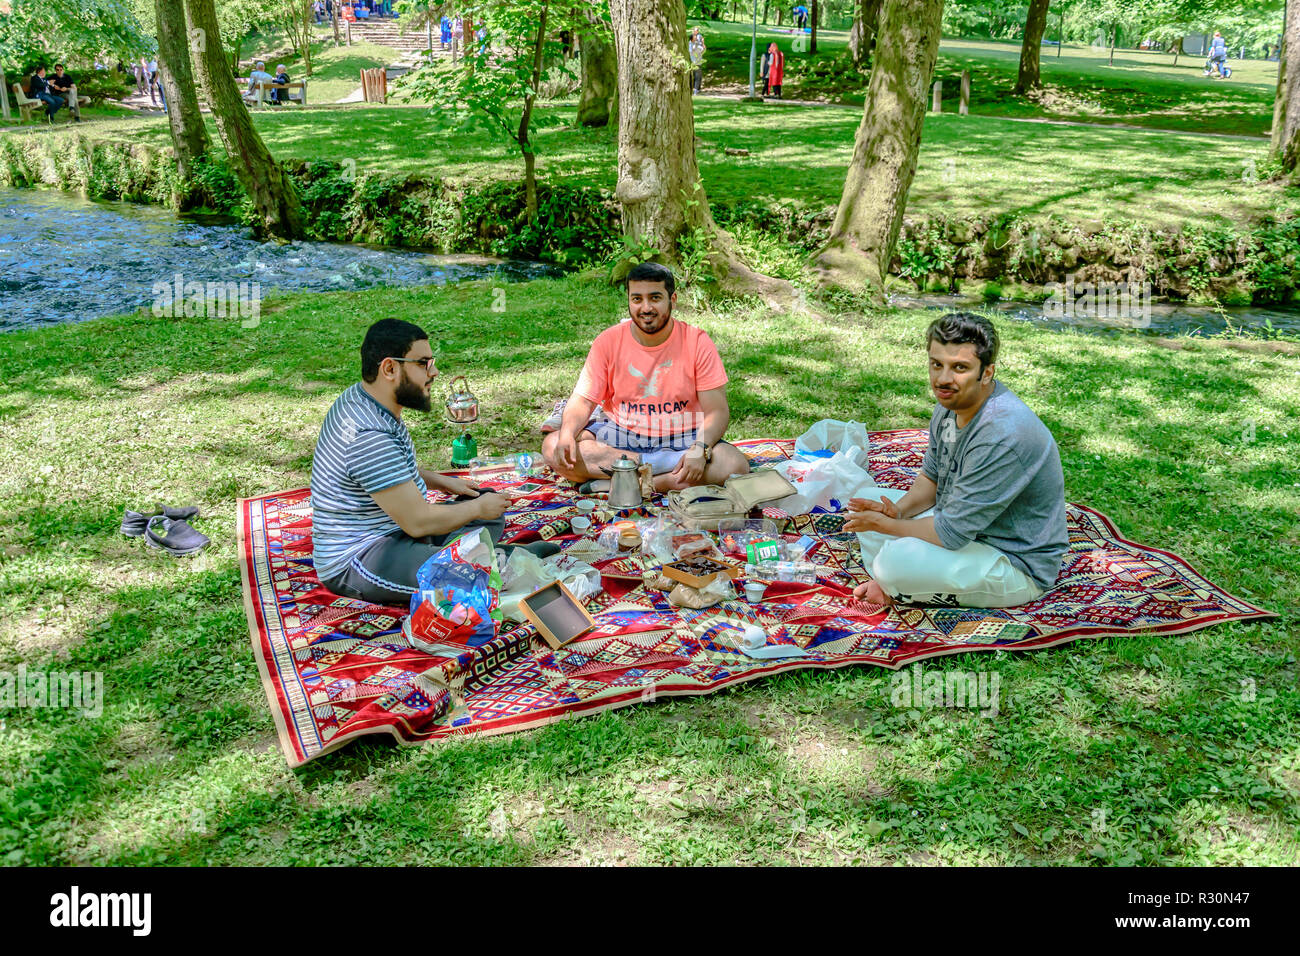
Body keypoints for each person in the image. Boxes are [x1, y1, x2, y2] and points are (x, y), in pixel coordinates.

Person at [311, 320, 556, 606]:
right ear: (389, 369)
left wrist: (442, 481)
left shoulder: (364, 399)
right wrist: (476, 508)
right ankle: (503, 562)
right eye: (424, 363)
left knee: (486, 505)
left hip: (396, 529)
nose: (434, 372)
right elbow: (418, 522)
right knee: (463, 569)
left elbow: (388, 470)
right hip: (362, 556)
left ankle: (483, 556)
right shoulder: (368, 436)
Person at [846, 313, 1067, 609]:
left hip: (1012, 560)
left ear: (987, 373)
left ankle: (893, 582)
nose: (943, 379)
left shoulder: (1002, 434)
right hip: (967, 530)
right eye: (937, 364)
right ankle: (896, 583)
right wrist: (897, 511)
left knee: (892, 560)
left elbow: (950, 532)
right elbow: (932, 479)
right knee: (868, 499)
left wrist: (887, 526)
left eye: (959, 367)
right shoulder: (950, 406)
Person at [542, 262, 751, 493]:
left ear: (672, 300)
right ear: (629, 301)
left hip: (683, 437)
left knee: (734, 466)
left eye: (655, 298)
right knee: (553, 446)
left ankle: (624, 483)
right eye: (637, 299)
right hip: (622, 436)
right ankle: (656, 472)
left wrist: (699, 449)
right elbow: (583, 400)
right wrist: (568, 434)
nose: (646, 307)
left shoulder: (697, 342)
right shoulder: (608, 341)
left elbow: (717, 411)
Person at [689, 28, 705, 94]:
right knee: (697, 77)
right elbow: (703, 50)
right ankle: (695, 90)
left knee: (695, 76)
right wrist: (703, 44)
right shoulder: (695, 46)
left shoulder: (690, 44)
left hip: (693, 62)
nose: (696, 37)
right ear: (692, 38)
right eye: (695, 37)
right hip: (697, 63)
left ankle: (695, 89)